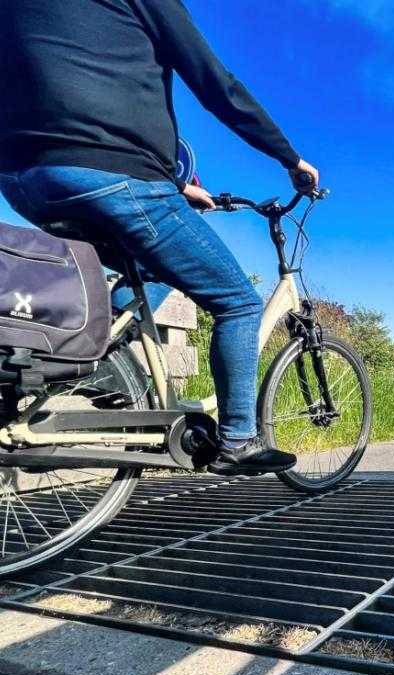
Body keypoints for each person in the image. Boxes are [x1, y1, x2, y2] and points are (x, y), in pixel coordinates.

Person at [0, 1, 319, 476]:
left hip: (26, 179)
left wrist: (176, 185)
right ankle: (238, 440)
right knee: (238, 302)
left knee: (148, 264)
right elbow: (218, 85)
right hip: (115, 174)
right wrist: (290, 159)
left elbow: (73, 87)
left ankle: (107, 366)